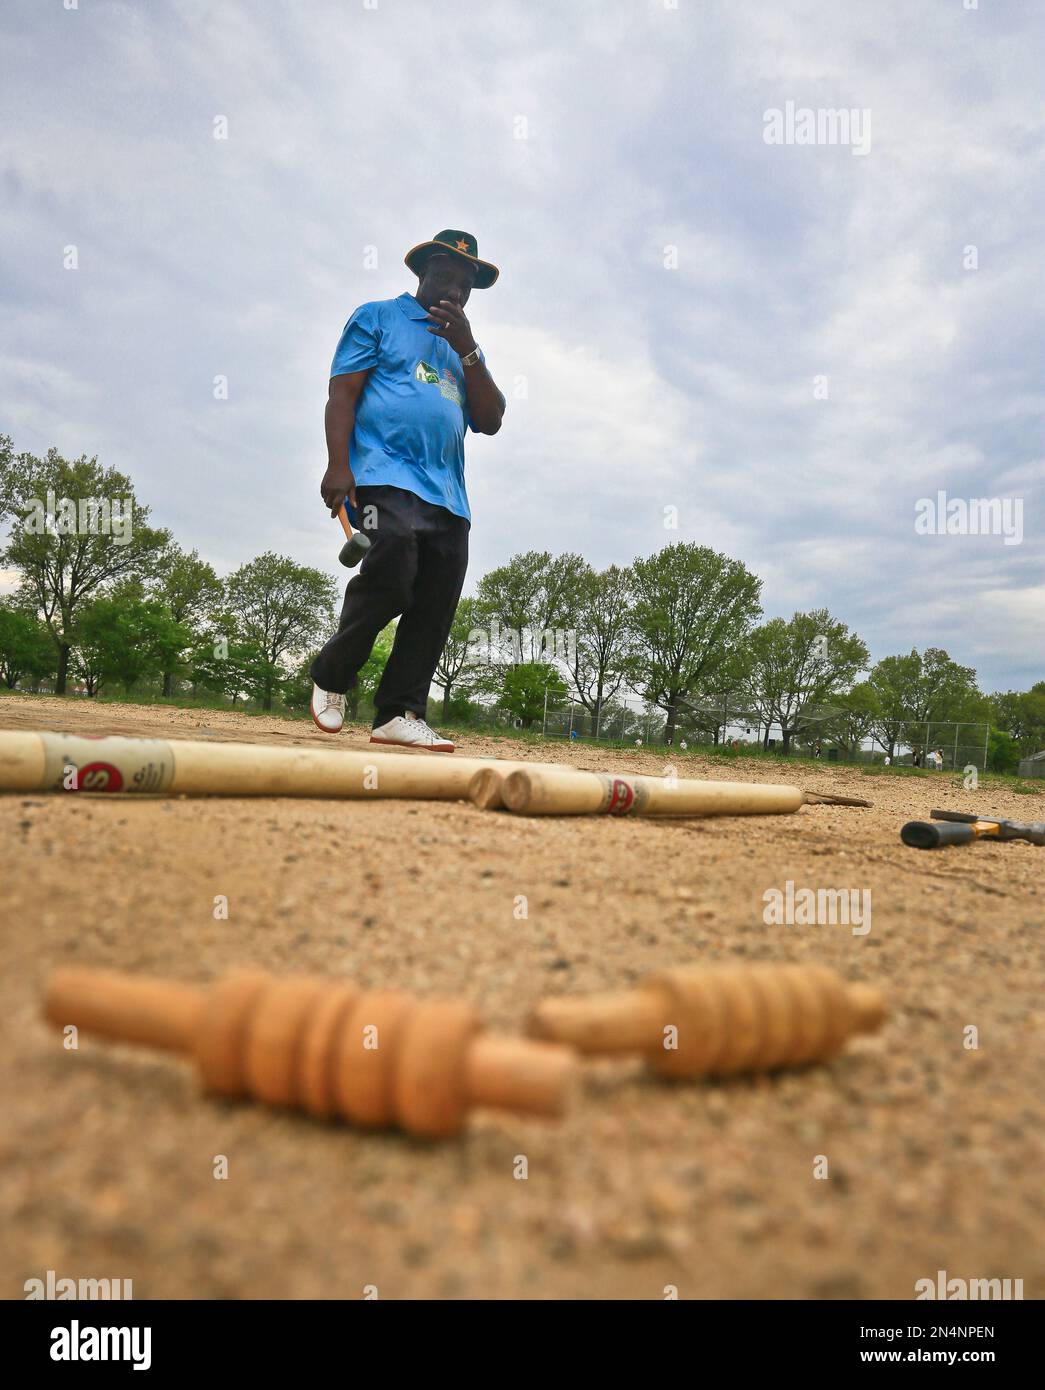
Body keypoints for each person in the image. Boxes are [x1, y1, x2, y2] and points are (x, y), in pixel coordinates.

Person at [308, 231, 505, 750]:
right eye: (445, 276)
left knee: (435, 602)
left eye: (466, 284)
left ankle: (398, 713)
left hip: (448, 496)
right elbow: (342, 393)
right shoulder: (377, 317)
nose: (455, 291)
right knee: (392, 572)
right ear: (422, 273)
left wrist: (468, 350)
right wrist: (337, 465)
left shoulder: (465, 348)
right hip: (380, 477)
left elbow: (491, 419)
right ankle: (332, 672)